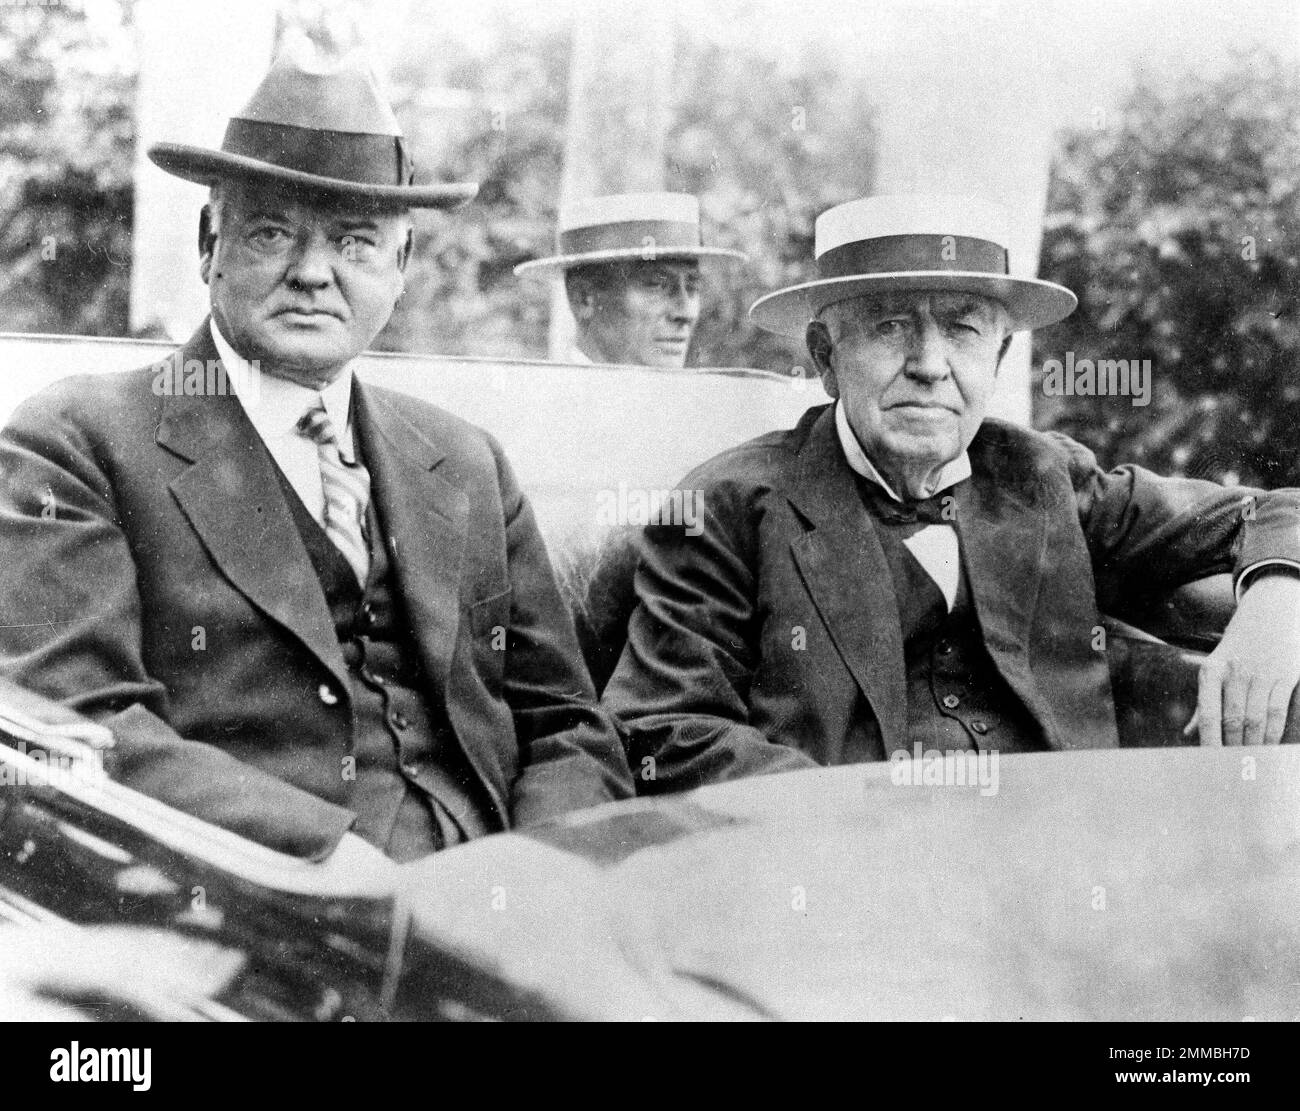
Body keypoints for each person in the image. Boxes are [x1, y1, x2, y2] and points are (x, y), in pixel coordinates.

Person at [0, 53, 632, 867]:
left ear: (400, 266)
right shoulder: (79, 443)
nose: (312, 274)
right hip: (252, 904)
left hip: (497, 896)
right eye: (272, 233)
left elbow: (567, 722)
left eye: (355, 242)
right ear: (210, 244)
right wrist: (324, 859)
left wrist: (542, 866)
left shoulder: (467, 463)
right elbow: (83, 729)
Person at [602, 194, 1300, 792]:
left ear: (998, 356)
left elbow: (1265, 513)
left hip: (1071, 851)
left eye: (963, 328)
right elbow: (665, 726)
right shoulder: (726, 508)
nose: (931, 365)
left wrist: (1277, 601)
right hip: (845, 872)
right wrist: (854, 818)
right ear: (825, 356)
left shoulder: (1042, 475)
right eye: (890, 326)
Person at [515, 192, 745, 367]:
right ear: (583, 298)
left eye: (693, 287)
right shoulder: (545, 409)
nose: (686, 313)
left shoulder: (687, 411)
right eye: (658, 285)